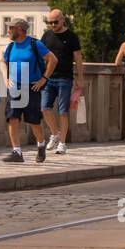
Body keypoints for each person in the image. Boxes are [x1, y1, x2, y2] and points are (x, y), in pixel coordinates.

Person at [0, 18, 56, 163]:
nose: (8, 30)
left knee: (33, 121)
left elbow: (53, 60)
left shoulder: (34, 44)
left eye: (11, 28)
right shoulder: (11, 46)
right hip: (15, 87)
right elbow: (3, 62)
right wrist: (6, 78)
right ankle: (17, 152)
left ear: (19, 29)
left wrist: (44, 79)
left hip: (31, 87)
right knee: (13, 118)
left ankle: (41, 145)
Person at [39, 9, 83, 155]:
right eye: (50, 22)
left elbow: (78, 58)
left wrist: (80, 78)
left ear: (63, 20)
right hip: (48, 78)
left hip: (65, 78)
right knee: (45, 108)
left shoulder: (71, 36)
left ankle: (63, 144)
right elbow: (39, 54)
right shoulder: (47, 35)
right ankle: (55, 134)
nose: (52, 25)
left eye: (55, 22)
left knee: (63, 112)